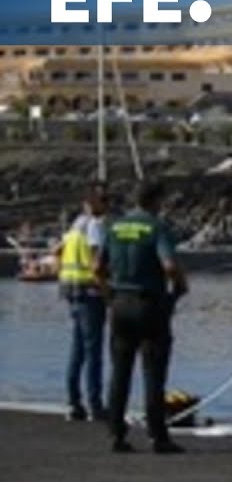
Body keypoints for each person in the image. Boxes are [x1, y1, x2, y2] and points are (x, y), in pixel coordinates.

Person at [96, 180, 188, 454]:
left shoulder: (113, 227)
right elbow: (169, 265)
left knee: (120, 371)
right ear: (156, 200)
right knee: (153, 372)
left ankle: (115, 432)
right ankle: (157, 435)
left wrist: (108, 296)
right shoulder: (156, 226)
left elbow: (97, 268)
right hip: (149, 303)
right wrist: (180, 286)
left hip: (120, 302)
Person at [59, 180, 109, 421]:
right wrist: (108, 293)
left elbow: (58, 252)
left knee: (77, 350)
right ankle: (95, 405)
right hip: (90, 293)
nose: (108, 205)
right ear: (93, 202)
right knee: (93, 352)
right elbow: (95, 263)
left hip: (72, 292)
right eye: (104, 200)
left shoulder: (75, 225)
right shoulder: (94, 226)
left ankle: (73, 402)